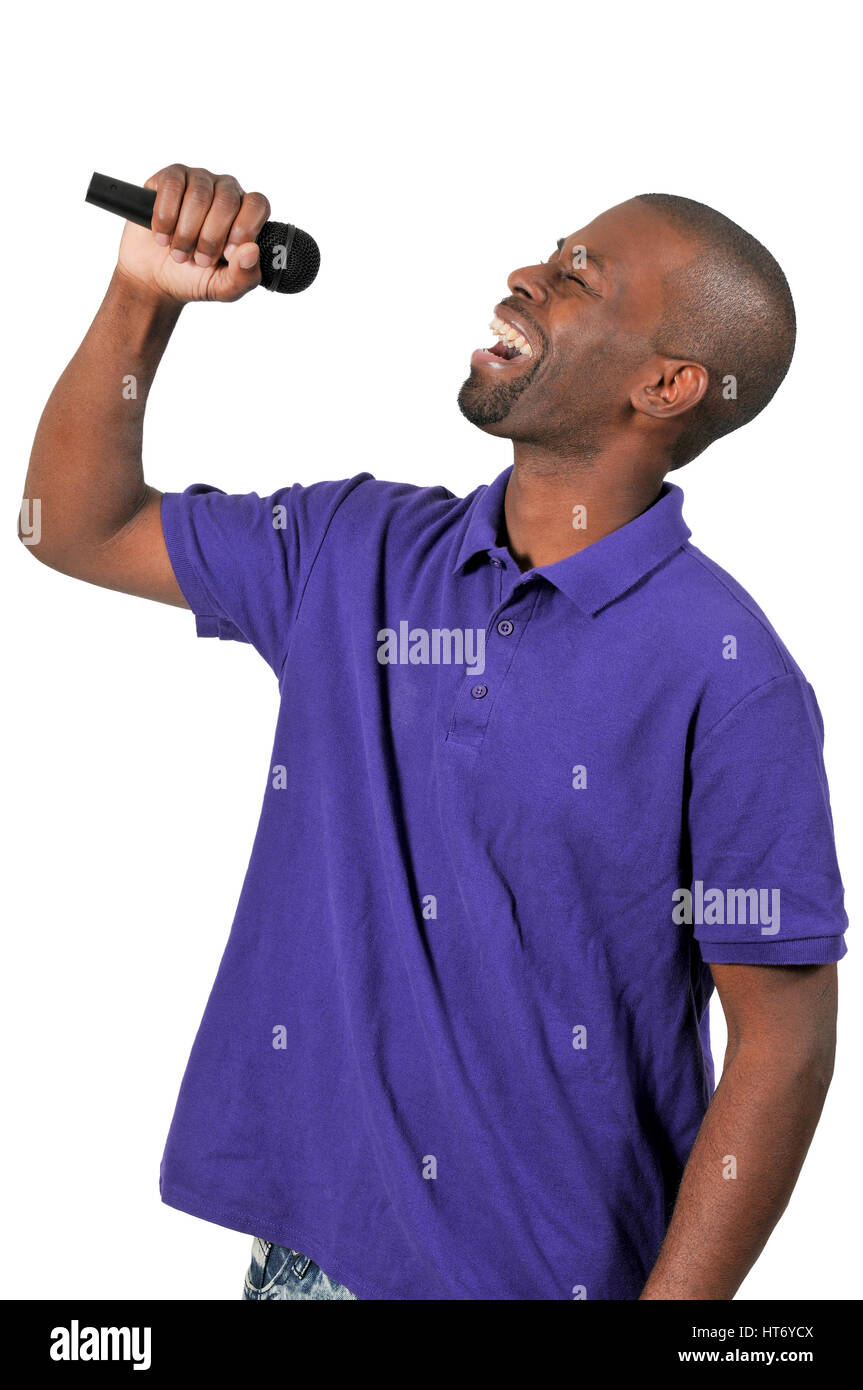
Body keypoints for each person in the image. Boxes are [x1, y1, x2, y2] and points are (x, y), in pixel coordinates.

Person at [22, 165, 847, 1301]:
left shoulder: (728, 675)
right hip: (303, 1266)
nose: (524, 274)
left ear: (663, 383)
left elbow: (782, 1039)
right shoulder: (351, 549)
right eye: (549, 252)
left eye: (575, 276)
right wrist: (141, 300)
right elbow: (72, 525)